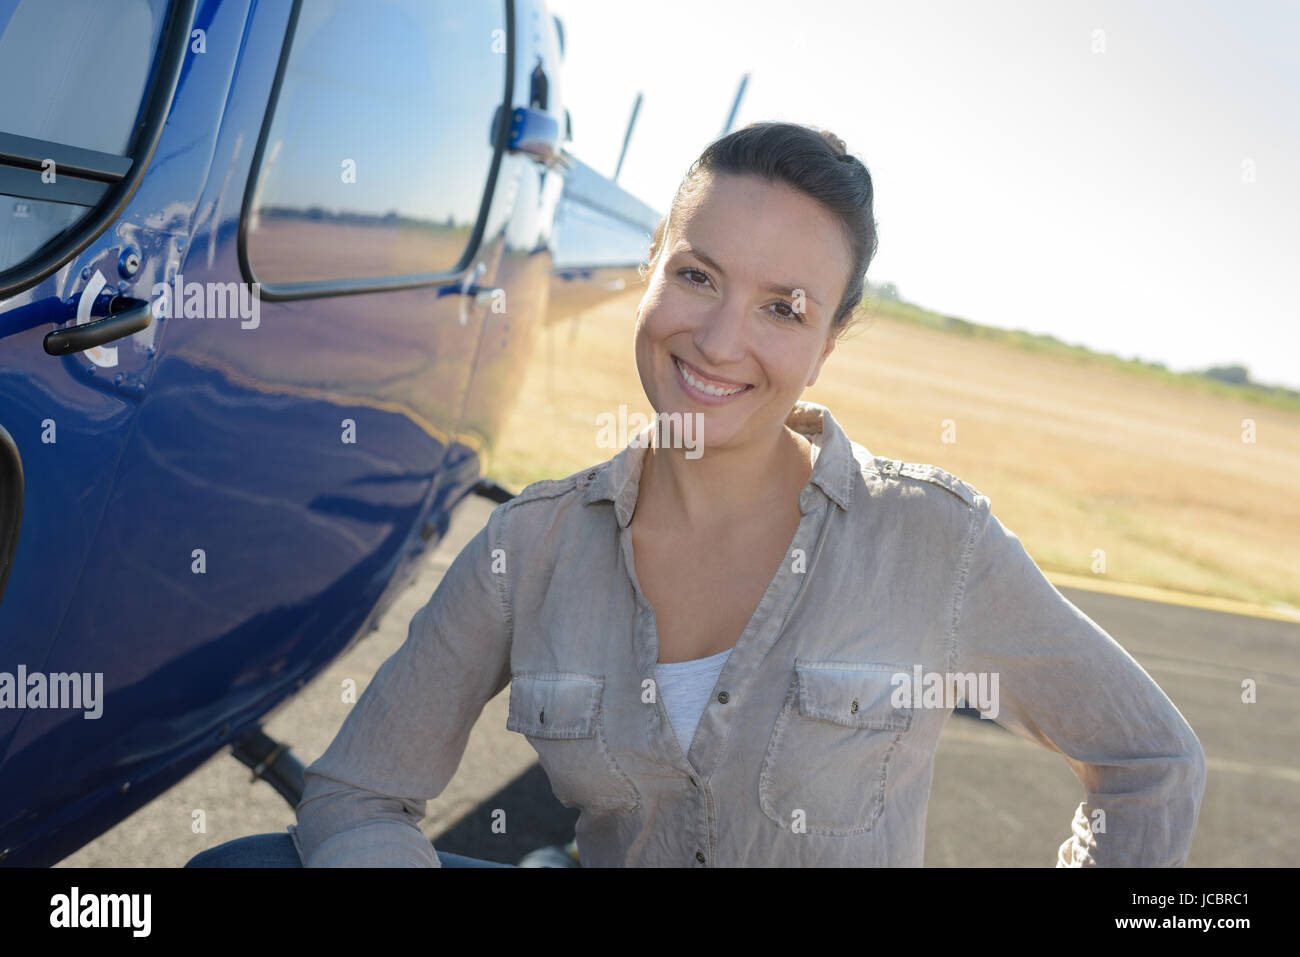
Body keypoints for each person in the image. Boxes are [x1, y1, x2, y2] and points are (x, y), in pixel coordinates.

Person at [189, 121, 1206, 868]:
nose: (721, 341)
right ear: (650, 271)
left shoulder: (934, 540)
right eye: (698, 276)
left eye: (782, 307)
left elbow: (1150, 760)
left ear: (829, 339)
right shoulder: (529, 545)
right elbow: (357, 793)